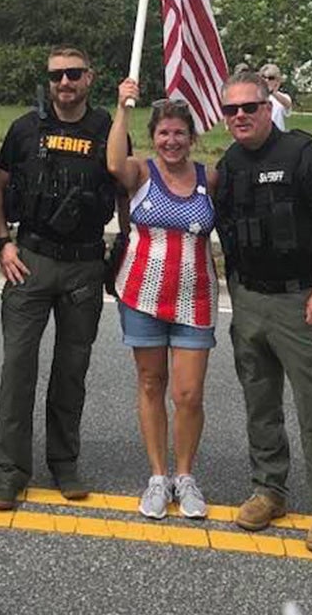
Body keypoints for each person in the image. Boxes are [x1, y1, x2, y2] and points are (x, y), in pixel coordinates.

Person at [214, 70, 312, 556]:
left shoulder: (302, 155)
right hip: (249, 300)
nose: (240, 116)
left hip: (300, 301)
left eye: (249, 107)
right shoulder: (230, 163)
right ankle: (269, 489)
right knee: (260, 402)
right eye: (231, 109)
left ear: (267, 107)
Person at [0, 47, 123, 510]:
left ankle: (64, 463)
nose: (64, 82)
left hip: (84, 266)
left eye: (73, 74)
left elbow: (125, 186)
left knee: (71, 371)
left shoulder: (107, 129)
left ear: (90, 77)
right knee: (17, 370)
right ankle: (11, 471)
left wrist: (125, 244)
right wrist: (2, 243)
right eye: (57, 75)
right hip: (31, 259)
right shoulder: (26, 128)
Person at [106, 84, 218, 521]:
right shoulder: (141, 172)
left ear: (192, 137)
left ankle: (185, 476)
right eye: (164, 133)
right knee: (151, 384)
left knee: (188, 394)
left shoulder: (210, 178)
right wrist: (122, 107)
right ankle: (157, 476)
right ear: (153, 137)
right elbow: (113, 162)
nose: (172, 141)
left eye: (179, 133)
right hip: (142, 295)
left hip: (196, 299)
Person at [258, 63, 293, 130]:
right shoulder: (255, 95)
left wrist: (273, 92)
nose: (266, 80)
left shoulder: (283, 96)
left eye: (271, 78)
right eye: (264, 77)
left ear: (277, 80)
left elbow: (287, 105)